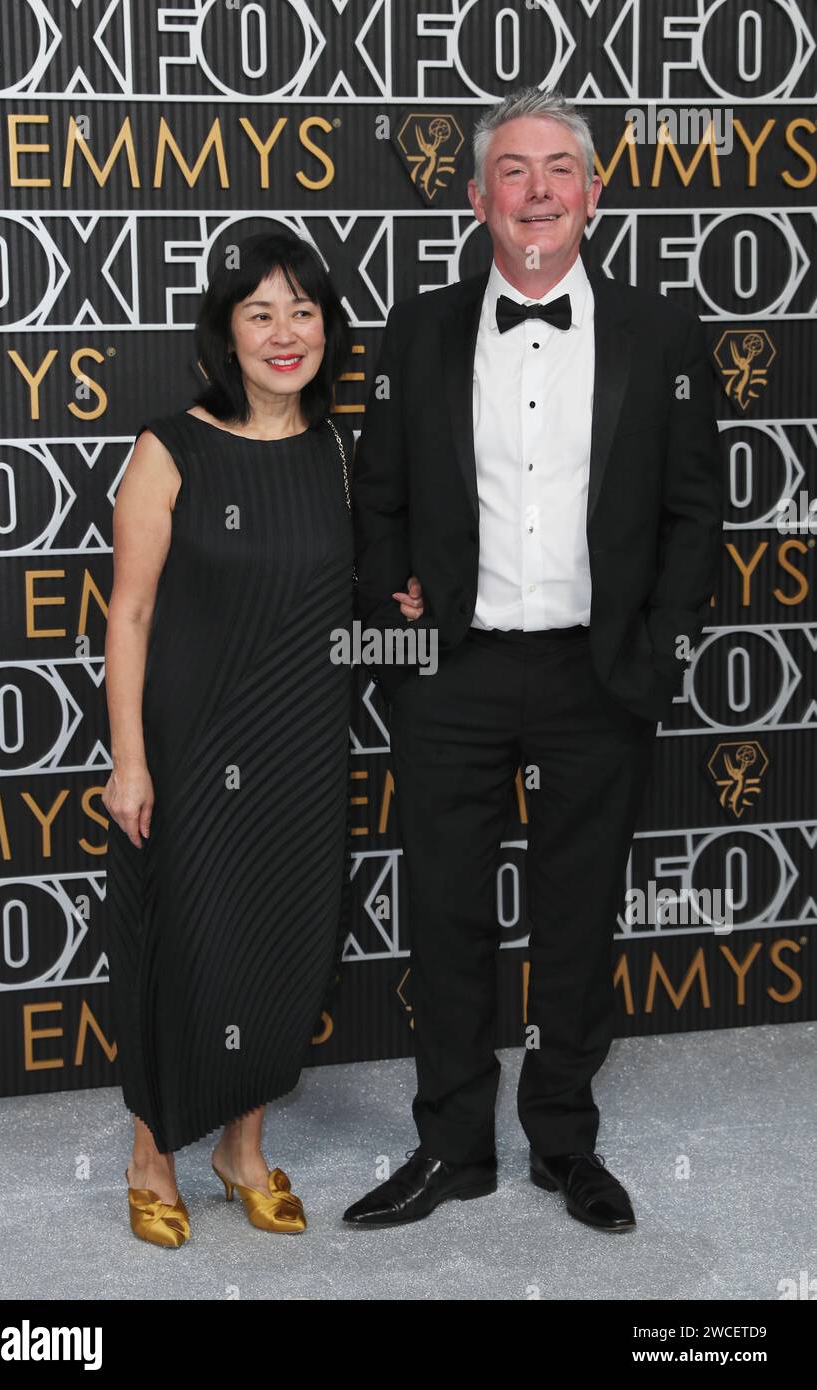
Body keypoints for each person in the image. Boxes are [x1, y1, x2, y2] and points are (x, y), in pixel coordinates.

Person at [344, 88, 723, 1230]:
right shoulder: (416, 327)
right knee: (447, 916)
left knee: (577, 919)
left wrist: (655, 648)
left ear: (593, 196)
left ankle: (564, 1146)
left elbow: (693, 512)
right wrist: (389, 598)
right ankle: (453, 1148)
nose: (538, 190)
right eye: (513, 170)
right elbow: (378, 498)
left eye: (559, 168)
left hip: (592, 675)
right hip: (449, 673)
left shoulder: (660, 335)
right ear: (475, 198)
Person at [102, 230, 424, 1246]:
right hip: (192, 749)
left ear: (326, 328)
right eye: (259, 313)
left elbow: (347, 602)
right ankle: (152, 1155)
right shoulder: (171, 444)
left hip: (301, 746)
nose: (284, 334)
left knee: (281, 954)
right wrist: (129, 757)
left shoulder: (336, 450)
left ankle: (241, 1147)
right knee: (184, 950)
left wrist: (408, 607)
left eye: (302, 312)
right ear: (226, 332)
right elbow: (132, 616)